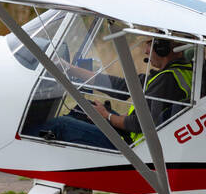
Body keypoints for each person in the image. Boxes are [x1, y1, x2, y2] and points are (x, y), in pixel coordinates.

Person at [37, 38, 193, 149]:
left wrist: (107, 116)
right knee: (85, 108)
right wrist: (70, 69)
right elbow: (120, 88)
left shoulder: (167, 80)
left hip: (137, 147)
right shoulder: (180, 72)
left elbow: (140, 125)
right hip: (141, 138)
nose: (146, 51)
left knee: (59, 126)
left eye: (150, 44)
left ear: (163, 48)